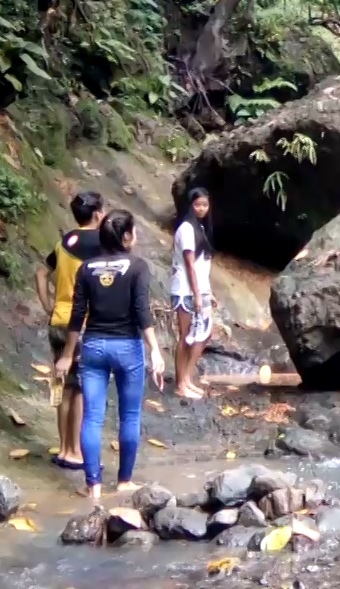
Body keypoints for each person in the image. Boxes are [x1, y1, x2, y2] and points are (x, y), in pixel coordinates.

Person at [56, 210, 165, 504]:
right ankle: (124, 481)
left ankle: (93, 487)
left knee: (92, 417)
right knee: (129, 415)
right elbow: (142, 311)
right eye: (135, 232)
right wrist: (155, 349)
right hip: (128, 347)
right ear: (127, 236)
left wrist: (67, 355)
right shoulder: (138, 267)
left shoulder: (87, 268)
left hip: (93, 347)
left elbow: (78, 316)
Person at [35, 191, 105, 471]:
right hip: (83, 323)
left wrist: (47, 305)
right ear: (98, 214)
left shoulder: (64, 242)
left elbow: (41, 273)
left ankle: (64, 448)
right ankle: (75, 452)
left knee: (62, 386)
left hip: (58, 320)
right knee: (78, 390)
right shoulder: (101, 244)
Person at [169, 188, 215, 400]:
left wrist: (208, 292)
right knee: (186, 337)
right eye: (197, 205)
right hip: (185, 290)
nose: (202, 209)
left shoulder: (201, 228)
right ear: (190, 206)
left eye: (205, 205)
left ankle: (187, 378)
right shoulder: (187, 229)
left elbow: (202, 265)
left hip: (200, 289)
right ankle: (180, 384)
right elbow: (189, 265)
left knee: (204, 333)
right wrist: (197, 294)